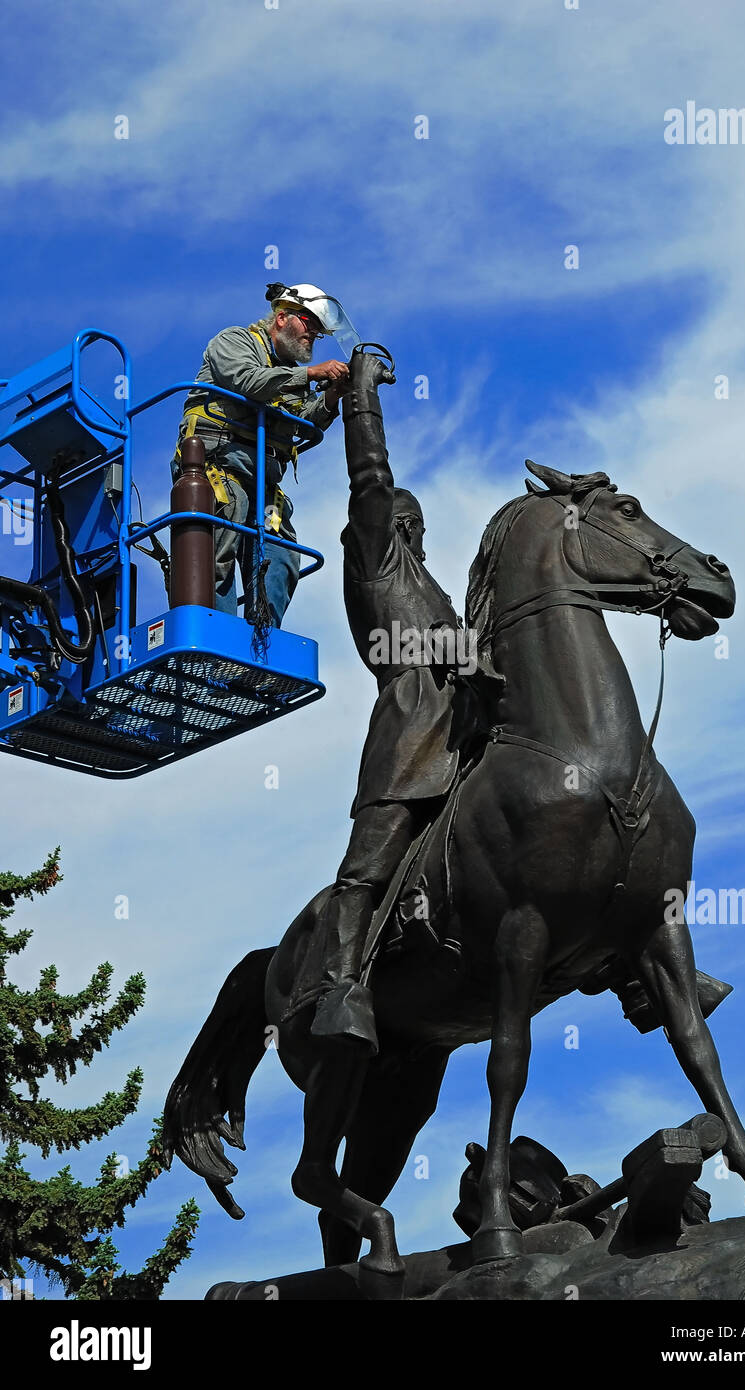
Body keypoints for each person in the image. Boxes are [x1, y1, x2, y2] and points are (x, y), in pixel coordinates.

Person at [309, 346, 484, 1052]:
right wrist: (361, 394)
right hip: (410, 745)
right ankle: (337, 988)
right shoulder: (377, 564)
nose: (411, 530)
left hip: (472, 743)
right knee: (366, 870)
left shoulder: (437, 594)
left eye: (414, 525)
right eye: (401, 521)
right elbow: (371, 476)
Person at [171, 283, 356, 627]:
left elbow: (302, 425)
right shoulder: (234, 341)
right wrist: (310, 374)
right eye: (307, 321)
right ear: (282, 317)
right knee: (216, 553)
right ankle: (217, 644)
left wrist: (332, 398)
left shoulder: (288, 373)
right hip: (218, 467)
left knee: (281, 555)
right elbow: (247, 381)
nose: (313, 334)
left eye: (319, 330)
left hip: (263, 483)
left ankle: (260, 649)